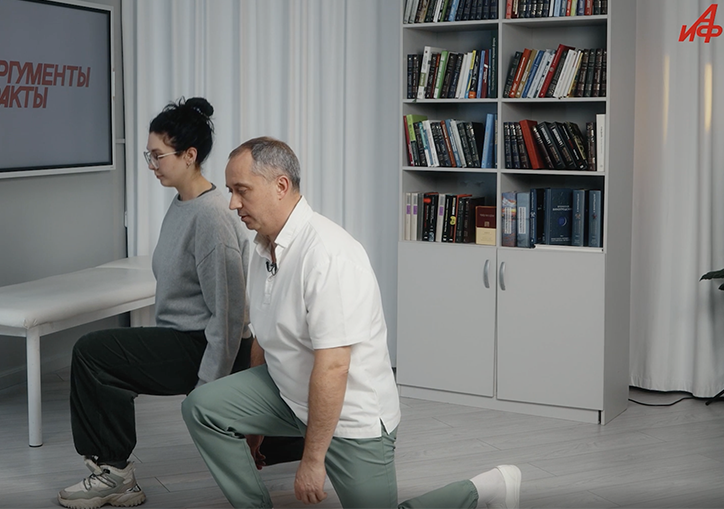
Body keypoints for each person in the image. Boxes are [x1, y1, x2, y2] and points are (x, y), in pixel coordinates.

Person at [182, 137, 522, 509]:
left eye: (241, 191)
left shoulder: (329, 255)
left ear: (280, 186)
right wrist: (253, 425)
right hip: (287, 393)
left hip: (350, 414)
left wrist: (313, 461)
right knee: (202, 408)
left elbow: (334, 367)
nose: (233, 203)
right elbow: (263, 337)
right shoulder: (263, 245)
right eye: (230, 191)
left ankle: (489, 487)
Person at [57, 97, 253, 509]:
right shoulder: (182, 204)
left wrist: (206, 393)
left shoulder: (211, 217)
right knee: (102, 360)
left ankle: (114, 474)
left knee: (93, 352)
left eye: (158, 155)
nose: (151, 164)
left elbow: (230, 315)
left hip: (206, 346)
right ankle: (114, 473)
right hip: (182, 338)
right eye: (149, 155)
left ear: (189, 155)